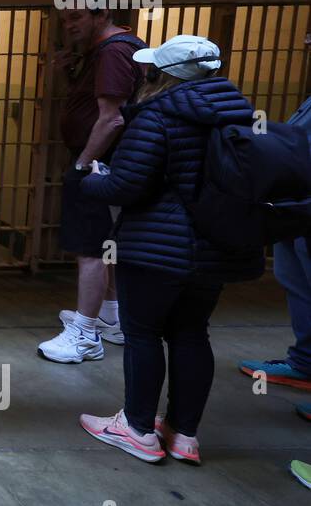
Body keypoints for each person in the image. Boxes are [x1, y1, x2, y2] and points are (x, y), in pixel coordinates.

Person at [78, 35, 264, 465]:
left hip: (156, 249)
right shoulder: (239, 116)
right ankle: (184, 435)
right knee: (192, 332)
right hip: (216, 249)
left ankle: (138, 428)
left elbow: (127, 185)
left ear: (165, 74)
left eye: (152, 68)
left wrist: (90, 178)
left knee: (143, 333)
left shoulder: (158, 115)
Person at [38, 0, 145, 363]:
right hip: (109, 163)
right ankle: (111, 317)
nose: (68, 26)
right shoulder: (109, 50)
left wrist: (83, 166)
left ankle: (84, 334)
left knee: (91, 248)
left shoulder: (113, 53)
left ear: (103, 14)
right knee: (106, 243)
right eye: (65, 19)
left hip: (101, 165)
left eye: (76, 17)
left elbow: (112, 120)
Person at [237, 93, 311, 394]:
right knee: (295, 279)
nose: (306, 42)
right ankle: (305, 362)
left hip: (300, 198)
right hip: (296, 202)